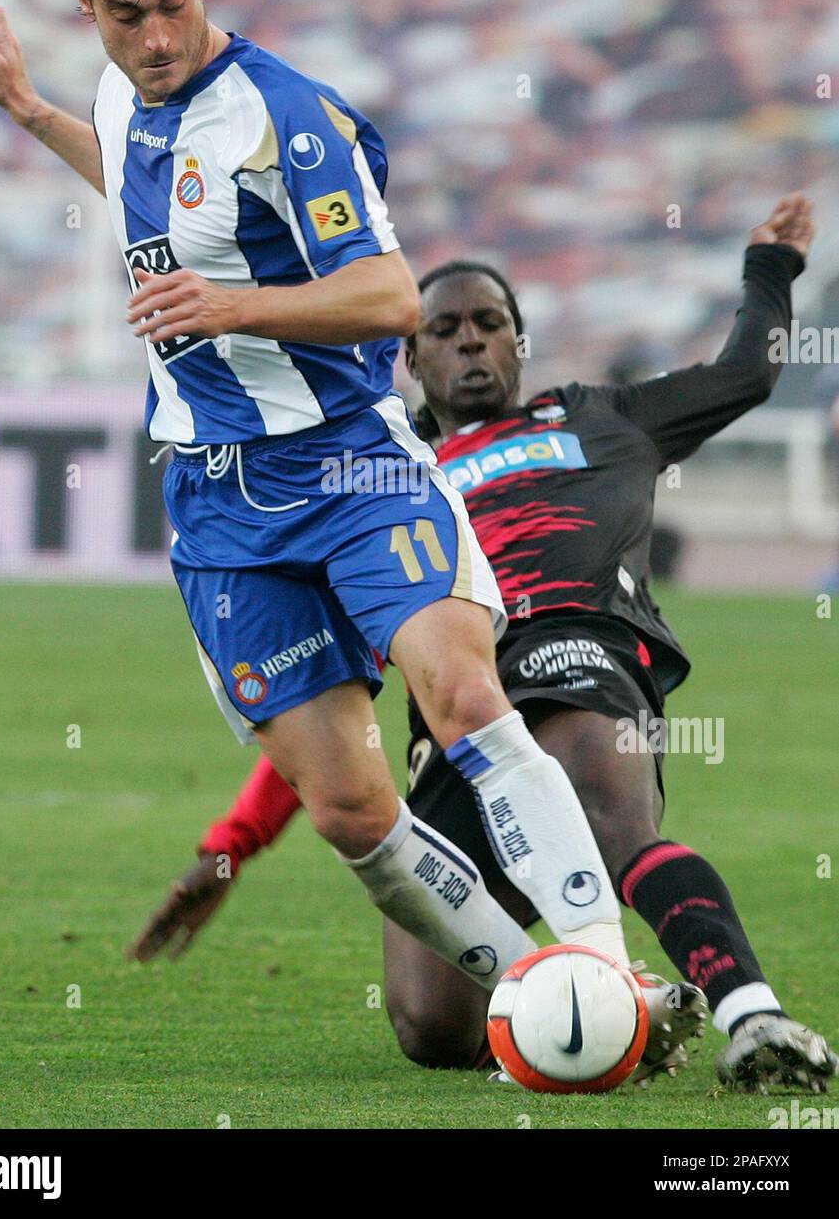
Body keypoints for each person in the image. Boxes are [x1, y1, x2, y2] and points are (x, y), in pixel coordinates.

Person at [0, 0, 641, 1009]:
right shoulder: (127, 95)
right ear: (89, 5)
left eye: (174, 1)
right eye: (128, 16)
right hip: (219, 502)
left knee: (464, 699)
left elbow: (387, 296)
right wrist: (30, 112)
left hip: (353, 463)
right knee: (348, 809)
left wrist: (233, 304)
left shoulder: (286, 112)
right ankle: (539, 993)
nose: (159, 34)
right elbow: (145, 193)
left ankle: (610, 978)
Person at [132, 194, 838, 1094]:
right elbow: (319, 701)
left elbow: (744, 373)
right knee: (429, 1026)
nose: (470, 341)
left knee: (609, 816)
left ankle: (754, 1018)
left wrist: (769, 270)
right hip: (451, 715)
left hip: (580, 649)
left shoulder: (599, 418)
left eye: (490, 323)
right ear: (408, 356)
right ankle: (619, 1013)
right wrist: (232, 843)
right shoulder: (384, 483)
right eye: (445, 328)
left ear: (518, 342)